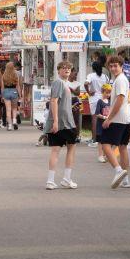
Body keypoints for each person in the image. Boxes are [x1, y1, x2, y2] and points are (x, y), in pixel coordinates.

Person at [101, 55, 130, 190]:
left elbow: (120, 99)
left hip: (119, 118)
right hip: (128, 117)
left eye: (116, 65)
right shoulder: (122, 79)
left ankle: (118, 170)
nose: (114, 68)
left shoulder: (120, 80)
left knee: (105, 144)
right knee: (122, 147)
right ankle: (126, 180)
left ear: (121, 66)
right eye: (111, 66)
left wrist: (109, 118)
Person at [46, 60, 80, 190]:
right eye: (64, 68)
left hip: (65, 121)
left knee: (59, 149)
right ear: (58, 70)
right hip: (63, 122)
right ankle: (64, 179)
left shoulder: (65, 84)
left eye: (69, 69)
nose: (66, 70)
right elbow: (53, 101)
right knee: (67, 148)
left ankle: (54, 180)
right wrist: (55, 121)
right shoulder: (58, 82)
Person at [92, 83, 112, 163]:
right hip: (101, 124)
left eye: (109, 93)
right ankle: (100, 155)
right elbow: (97, 113)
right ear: (102, 92)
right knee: (100, 141)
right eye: (106, 92)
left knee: (107, 140)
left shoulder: (110, 102)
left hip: (108, 124)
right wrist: (104, 117)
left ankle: (105, 155)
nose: (108, 94)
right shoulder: (100, 102)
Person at [1, 62, 22, 130]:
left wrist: (2, 95)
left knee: (8, 109)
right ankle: (14, 121)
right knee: (14, 108)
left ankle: (9, 125)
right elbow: (18, 86)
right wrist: (20, 95)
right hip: (14, 92)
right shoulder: (16, 75)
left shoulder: (3, 75)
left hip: (6, 92)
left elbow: (2, 87)